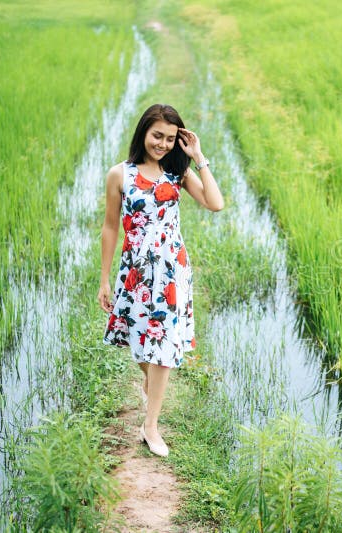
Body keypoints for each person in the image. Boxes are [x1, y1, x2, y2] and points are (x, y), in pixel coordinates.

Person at [98, 104, 224, 457]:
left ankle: (150, 426)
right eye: (158, 136)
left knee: (164, 351)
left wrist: (198, 157)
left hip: (171, 271)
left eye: (171, 138)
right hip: (135, 272)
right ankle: (149, 382)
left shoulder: (177, 173)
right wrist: (104, 279)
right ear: (143, 133)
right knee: (141, 344)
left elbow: (215, 203)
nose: (163, 144)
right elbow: (110, 227)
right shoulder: (119, 175)